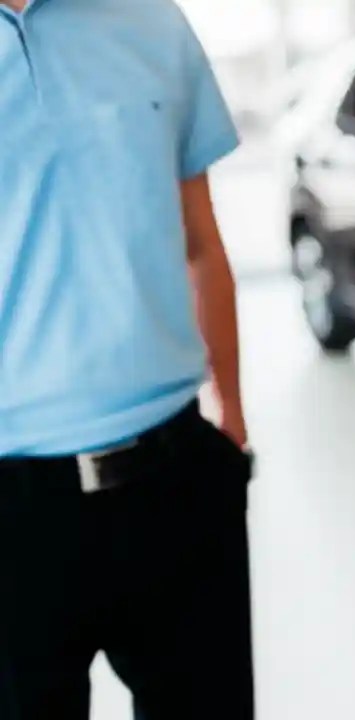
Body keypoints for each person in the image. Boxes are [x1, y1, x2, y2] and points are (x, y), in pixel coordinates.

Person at [0, 1, 253, 718]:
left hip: (177, 479)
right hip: (14, 510)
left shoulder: (149, 20)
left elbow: (201, 242)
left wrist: (231, 421)